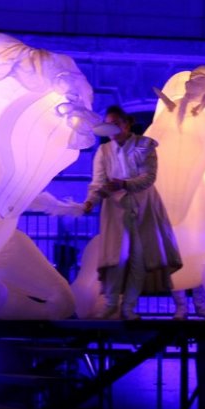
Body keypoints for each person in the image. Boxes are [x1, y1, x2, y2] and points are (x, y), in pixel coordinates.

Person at [83, 106, 183, 320]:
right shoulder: (104, 151)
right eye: (109, 125)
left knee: (138, 258)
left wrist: (124, 183)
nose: (113, 129)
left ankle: (128, 306)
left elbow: (148, 177)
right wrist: (92, 200)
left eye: (117, 124)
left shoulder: (144, 146)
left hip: (143, 206)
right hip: (116, 210)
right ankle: (111, 303)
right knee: (116, 256)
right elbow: (99, 181)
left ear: (127, 124)